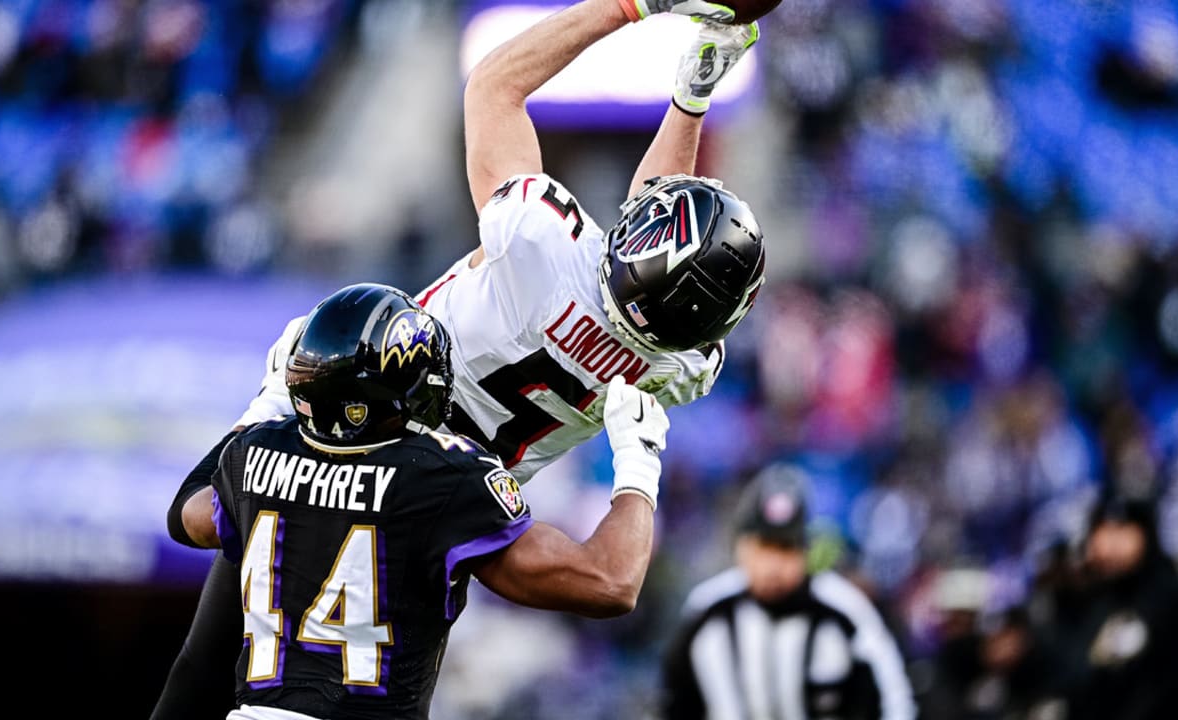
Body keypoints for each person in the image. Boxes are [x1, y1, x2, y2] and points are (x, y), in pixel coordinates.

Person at [153, 1, 768, 717]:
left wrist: (631, 6)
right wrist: (690, 100)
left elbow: (494, 85)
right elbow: (645, 280)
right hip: (443, 507)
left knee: (208, 664)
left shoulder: (542, 245)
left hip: (348, 430)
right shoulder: (677, 364)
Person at [176, 282, 670, 719]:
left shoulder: (252, 454)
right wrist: (638, 463)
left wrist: (265, 405)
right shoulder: (440, 475)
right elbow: (611, 583)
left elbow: (187, 516)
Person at [660, 464, 917, 720]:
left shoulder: (845, 611)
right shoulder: (708, 611)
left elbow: (893, 703)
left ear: (806, 552)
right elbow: (673, 702)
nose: (773, 565)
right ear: (740, 546)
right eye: (764, 546)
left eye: (786, 548)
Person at [1058, 491, 1178, 720]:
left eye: (1120, 531)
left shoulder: (1173, 598)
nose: (1108, 545)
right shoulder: (1089, 602)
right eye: (1101, 531)